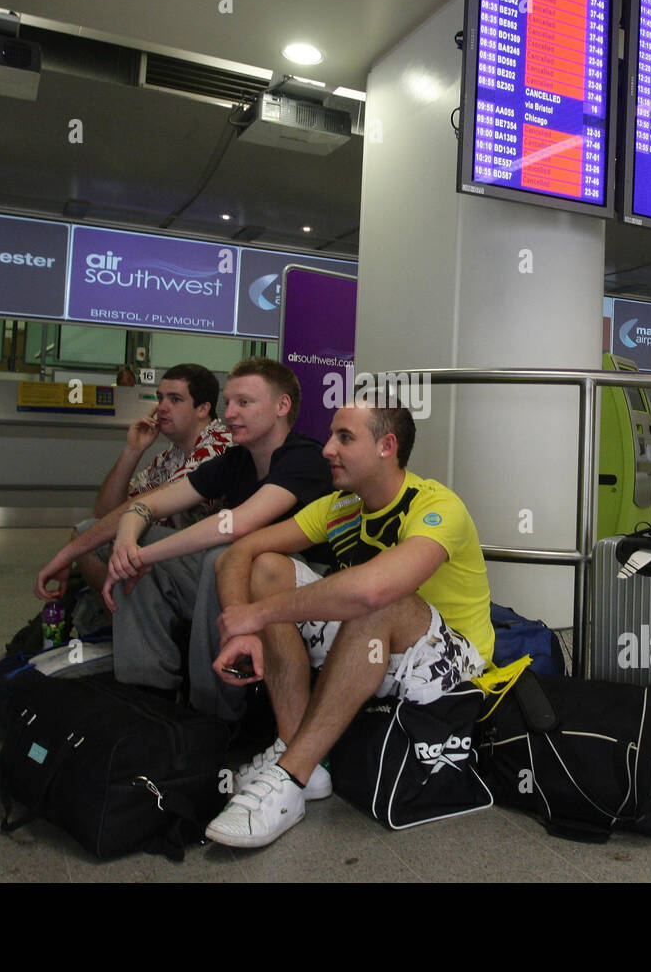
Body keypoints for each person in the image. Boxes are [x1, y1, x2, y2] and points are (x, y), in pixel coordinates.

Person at [204, 400, 493, 849]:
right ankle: (299, 753)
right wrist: (242, 631)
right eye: (330, 436)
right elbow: (235, 554)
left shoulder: (437, 506)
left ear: (387, 447)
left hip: (452, 663)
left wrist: (260, 614)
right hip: (377, 643)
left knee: (376, 596)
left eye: (345, 438)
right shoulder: (341, 506)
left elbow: (374, 591)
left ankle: (288, 781)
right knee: (266, 568)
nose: (326, 449)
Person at [34, 357, 331, 697]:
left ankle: (214, 709)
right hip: (233, 571)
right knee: (138, 548)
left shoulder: (305, 458)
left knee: (217, 556)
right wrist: (126, 544)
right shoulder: (237, 459)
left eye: (244, 403)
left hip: (291, 586)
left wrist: (141, 554)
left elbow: (234, 525)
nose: (230, 413)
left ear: (282, 406)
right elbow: (145, 505)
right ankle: (146, 689)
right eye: (228, 403)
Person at [72, 363, 231, 602]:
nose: (162, 408)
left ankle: (124, 622)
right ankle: (122, 621)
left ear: (203, 408)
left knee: (88, 537)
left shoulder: (218, 446)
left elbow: (129, 513)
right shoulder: (173, 454)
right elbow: (105, 514)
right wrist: (132, 450)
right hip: (174, 556)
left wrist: (73, 549)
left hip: (209, 564)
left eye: (175, 399)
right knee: (94, 535)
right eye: (160, 398)